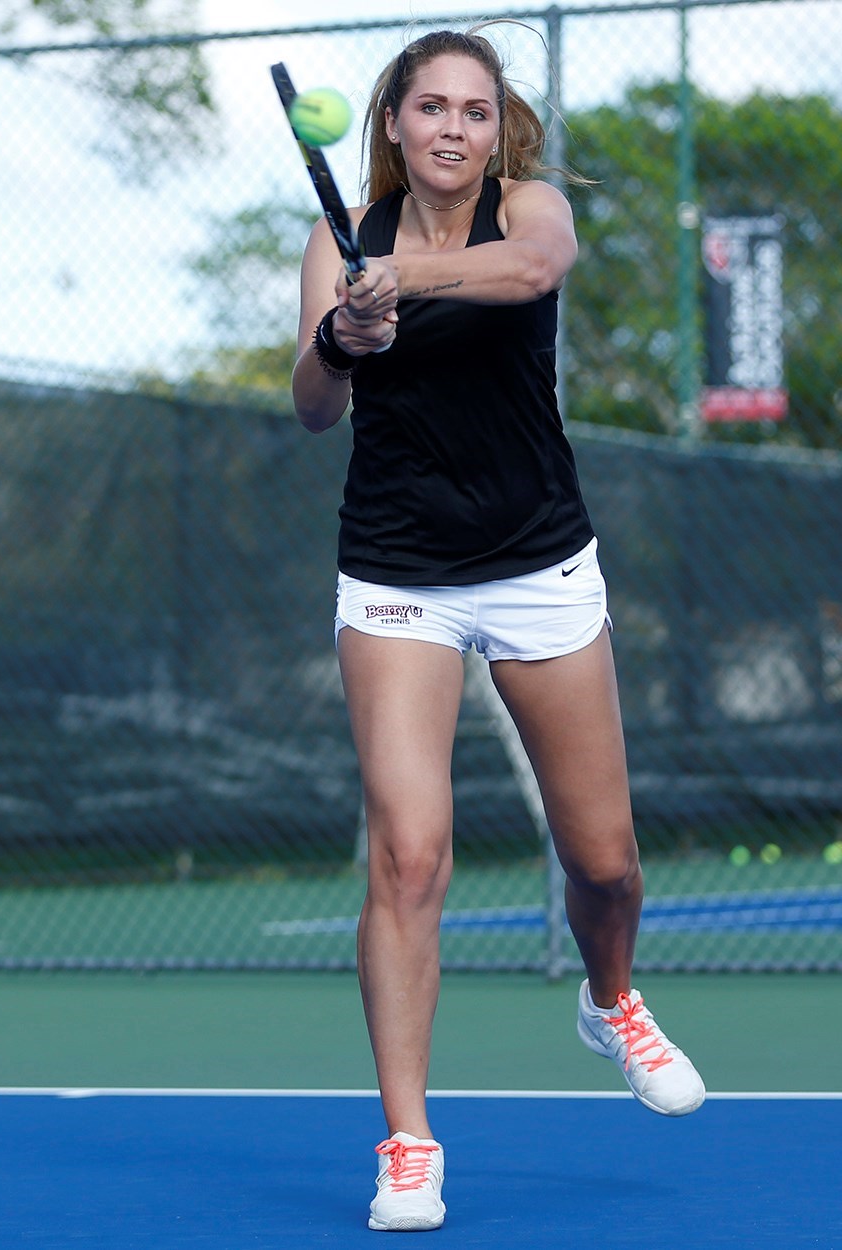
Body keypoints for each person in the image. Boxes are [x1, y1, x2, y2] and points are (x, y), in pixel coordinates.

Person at [290, 26, 705, 1234]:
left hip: (537, 564)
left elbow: (527, 277)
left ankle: (610, 997)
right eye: (431, 108)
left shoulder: (534, 210)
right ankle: (408, 1140)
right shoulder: (338, 238)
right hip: (395, 572)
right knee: (408, 855)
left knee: (605, 860)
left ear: (497, 126)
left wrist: (400, 289)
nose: (453, 128)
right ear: (393, 123)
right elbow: (313, 408)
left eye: (475, 109)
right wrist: (339, 336)